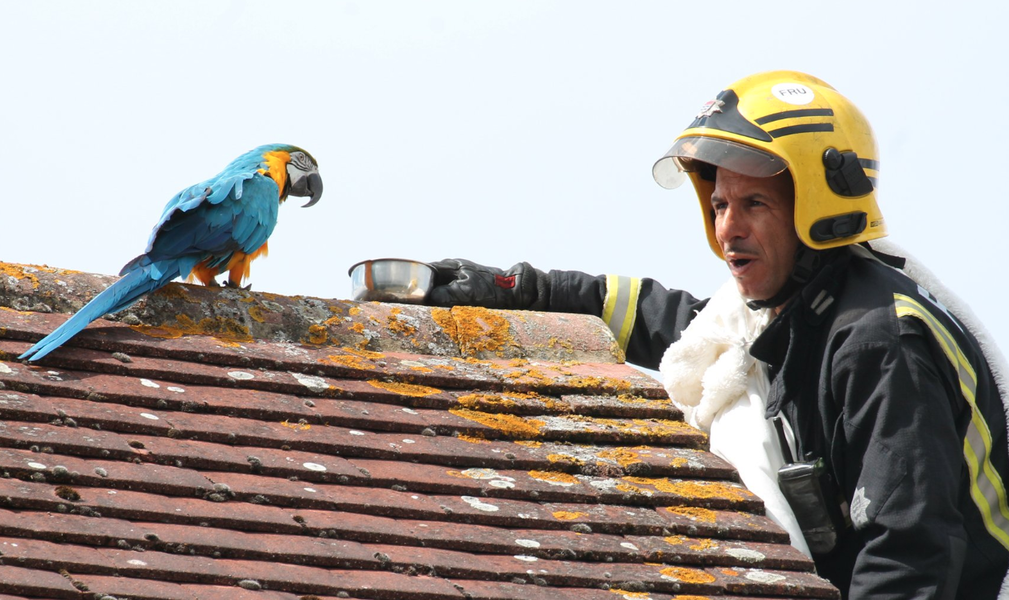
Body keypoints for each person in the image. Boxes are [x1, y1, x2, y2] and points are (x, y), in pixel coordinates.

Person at [425, 71, 1009, 599]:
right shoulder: (789, 315)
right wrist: (516, 290)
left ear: (819, 205)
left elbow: (909, 554)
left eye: (753, 203)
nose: (727, 228)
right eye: (720, 202)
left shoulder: (878, 341)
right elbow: (668, 322)